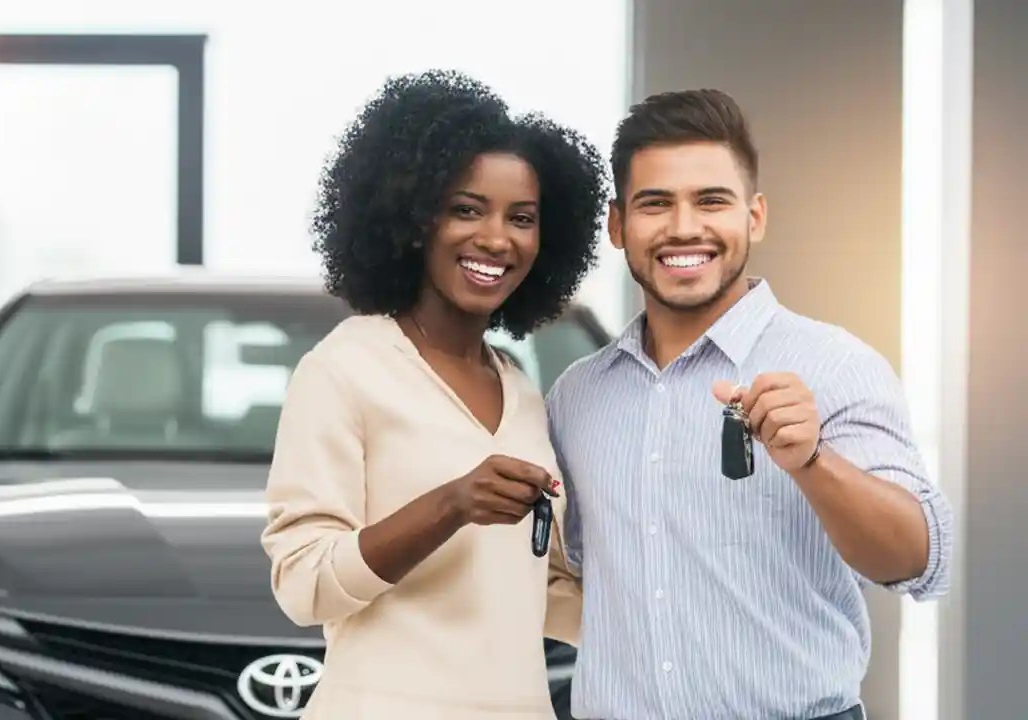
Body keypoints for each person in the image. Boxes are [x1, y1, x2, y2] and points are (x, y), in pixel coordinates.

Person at [546, 88, 954, 720]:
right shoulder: (577, 394)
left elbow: (917, 559)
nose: (685, 227)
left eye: (712, 201)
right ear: (617, 224)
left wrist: (813, 461)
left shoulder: (837, 365)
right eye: (656, 203)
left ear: (754, 216)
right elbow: (568, 579)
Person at [260, 69, 608, 719]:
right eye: (466, 209)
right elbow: (304, 584)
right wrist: (449, 505)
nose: (496, 238)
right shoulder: (344, 369)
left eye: (522, 218)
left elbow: (538, 589)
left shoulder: (521, 390)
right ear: (416, 219)